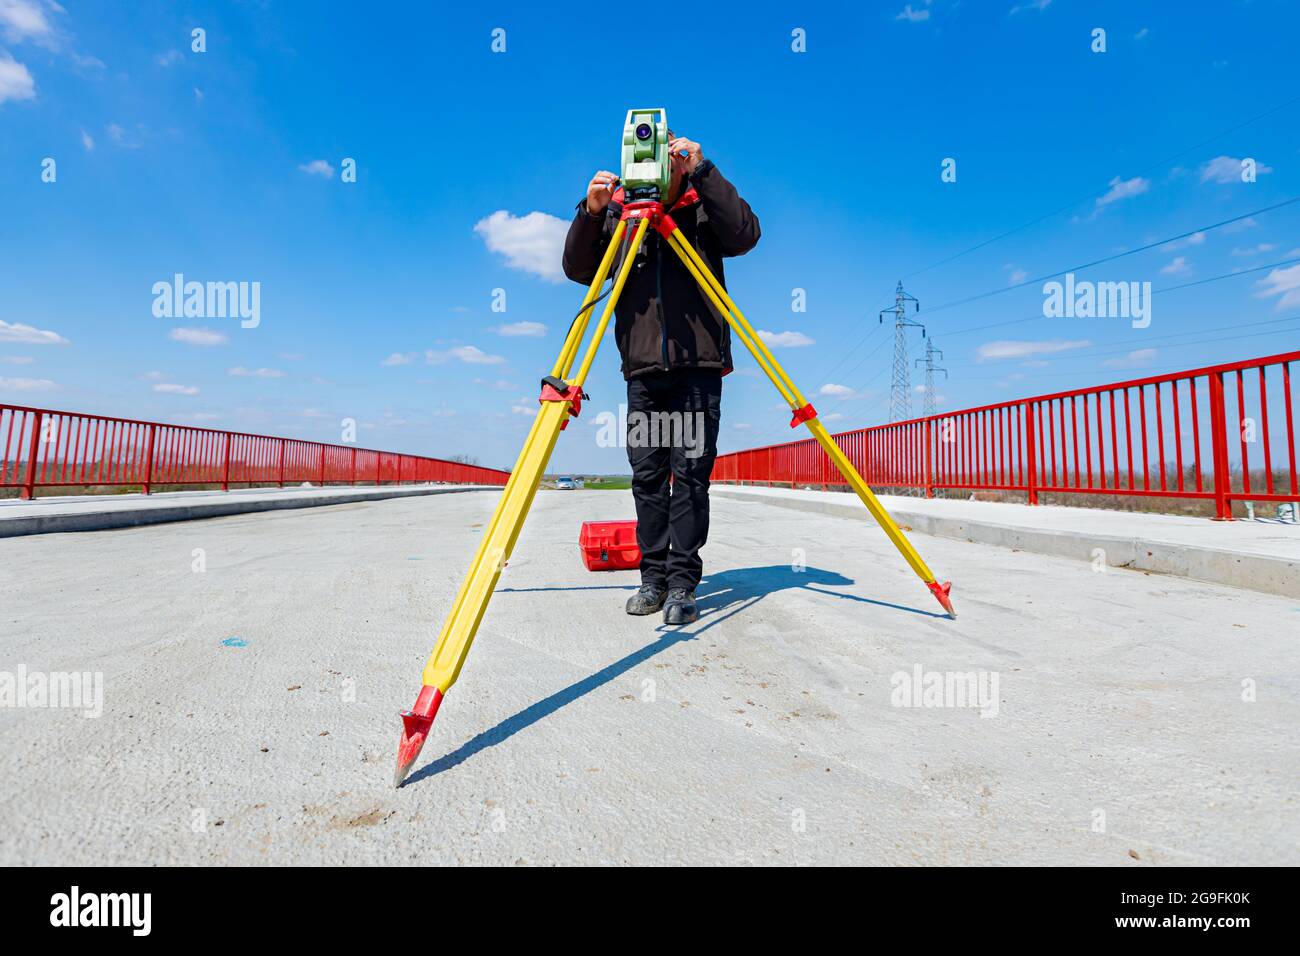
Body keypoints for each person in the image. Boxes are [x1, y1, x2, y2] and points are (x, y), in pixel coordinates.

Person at [562, 130, 761, 624]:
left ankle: (681, 585)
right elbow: (578, 269)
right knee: (649, 478)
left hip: (698, 371)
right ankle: (652, 579)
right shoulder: (622, 215)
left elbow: (745, 234)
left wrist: (704, 170)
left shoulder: (699, 207)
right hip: (645, 374)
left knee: (691, 479)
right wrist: (591, 212)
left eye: (666, 159)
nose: (655, 169)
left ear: (678, 161)